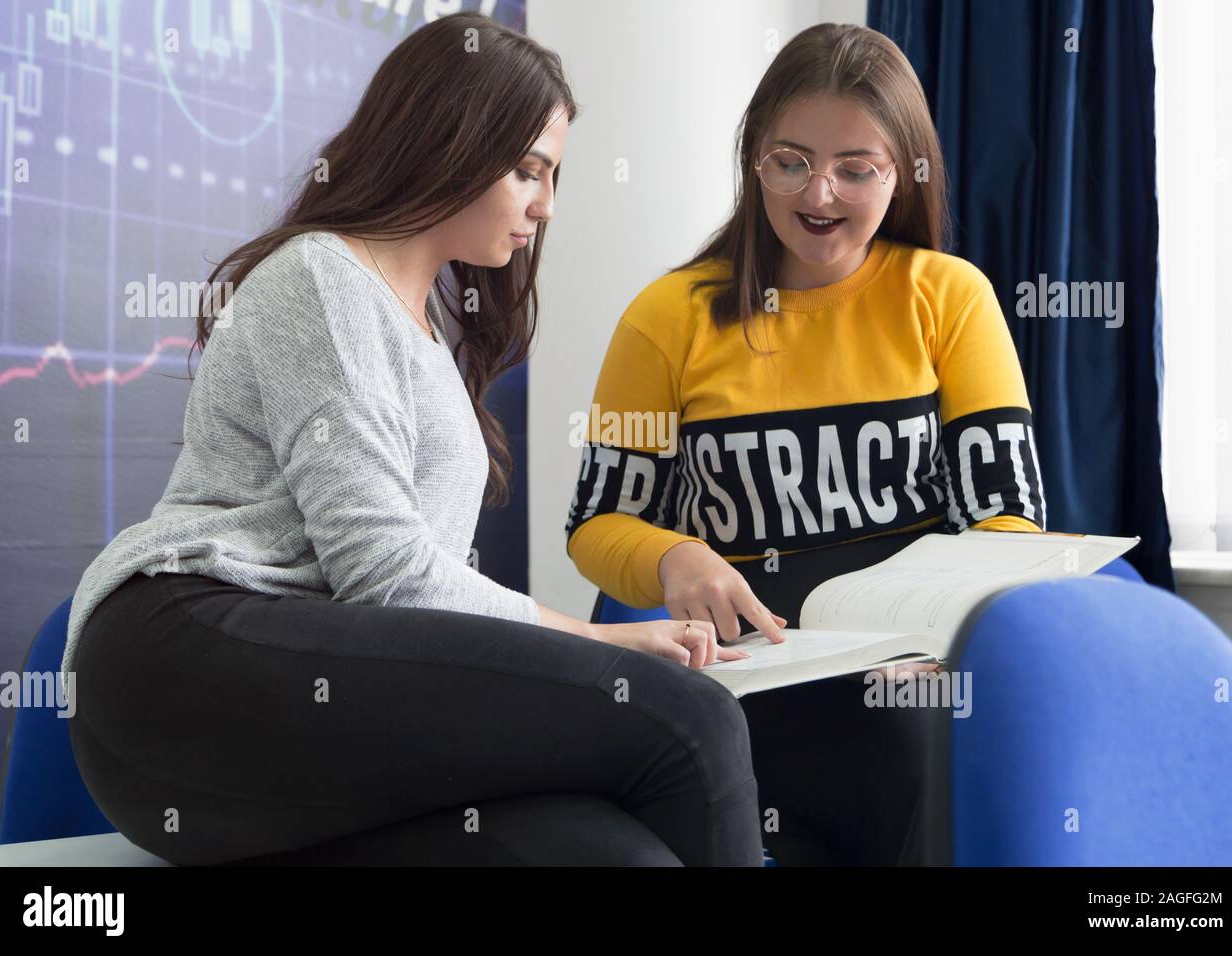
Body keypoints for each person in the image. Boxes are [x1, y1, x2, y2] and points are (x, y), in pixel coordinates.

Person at [63, 12, 765, 867]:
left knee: (604, 852)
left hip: (308, 716)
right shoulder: (323, 277)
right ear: (450, 140)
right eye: (528, 171)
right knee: (690, 718)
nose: (546, 206)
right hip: (183, 666)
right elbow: (386, 576)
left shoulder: (433, 332)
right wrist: (603, 640)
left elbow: (411, 601)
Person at [564, 22, 1048, 865]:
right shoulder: (665, 318)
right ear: (754, 160)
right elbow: (599, 523)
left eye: (855, 170)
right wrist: (674, 556)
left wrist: (950, 635)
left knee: (924, 741)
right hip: (746, 675)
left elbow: (1008, 515)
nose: (818, 193)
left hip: (910, 674)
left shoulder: (948, 297)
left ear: (901, 174)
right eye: (790, 161)